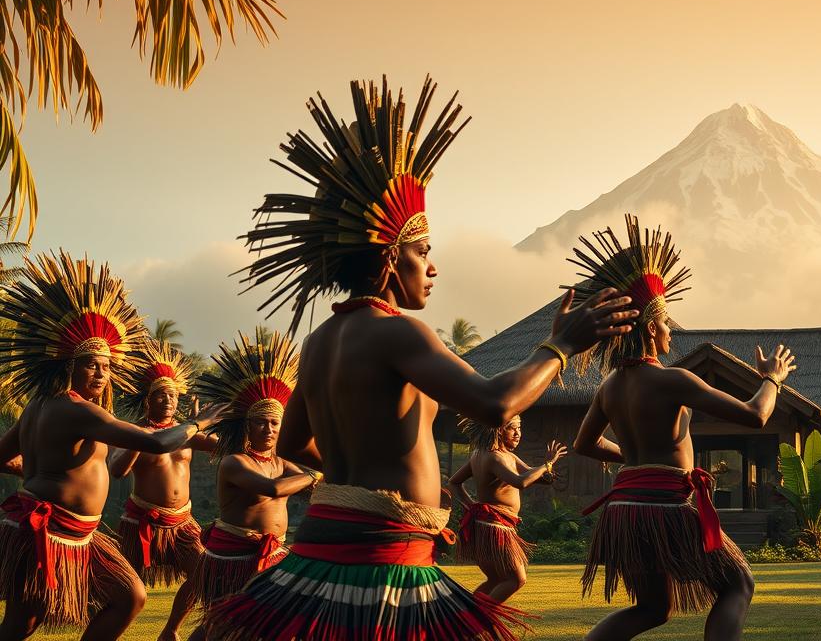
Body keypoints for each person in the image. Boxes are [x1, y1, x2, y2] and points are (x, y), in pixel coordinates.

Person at [204, 76, 637, 641]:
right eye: (423, 250)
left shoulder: (319, 342)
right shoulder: (399, 334)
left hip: (328, 546)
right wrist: (561, 346)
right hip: (381, 563)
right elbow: (494, 403)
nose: (432, 267)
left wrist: (356, 474)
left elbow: (290, 446)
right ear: (390, 257)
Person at [569, 215, 796, 641]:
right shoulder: (672, 380)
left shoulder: (609, 387)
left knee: (653, 608)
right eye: (668, 322)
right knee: (739, 585)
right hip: (667, 507)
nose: (671, 329)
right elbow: (756, 416)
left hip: (625, 511)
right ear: (652, 327)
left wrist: (638, 465)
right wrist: (772, 380)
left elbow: (584, 443)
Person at [0, 252, 225, 640]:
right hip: (47, 530)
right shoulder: (77, 410)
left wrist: (35, 472)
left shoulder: (38, 407)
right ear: (66, 363)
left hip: (74, 531)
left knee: (128, 596)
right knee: (28, 620)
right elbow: (157, 441)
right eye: (92, 364)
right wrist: (202, 420)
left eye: (107, 366)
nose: (102, 374)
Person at [188, 329, 319, 640]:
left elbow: (308, 482)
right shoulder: (236, 462)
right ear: (246, 425)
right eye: (261, 421)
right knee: (221, 626)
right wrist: (314, 476)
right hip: (233, 556)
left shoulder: (282, 462)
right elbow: (272, 489)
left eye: (275, 422)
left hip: (272, 552)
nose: (269, 429)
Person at [108, 340, 216, 641]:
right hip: (141, 522)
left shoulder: (188, 432)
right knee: (123, 587)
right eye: (161, 395)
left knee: (204, 574)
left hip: (182, 524)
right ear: (148, 400)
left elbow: (225, 446)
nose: (168, 400)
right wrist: (138, 438)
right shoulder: (134, 432)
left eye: (172, 394)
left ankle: (170, 630)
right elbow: (117, 470)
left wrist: (230, 421)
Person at [449, 415, 565, 601]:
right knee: (516, 579)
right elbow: (521, 482)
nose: (518, 433)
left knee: (496, 579)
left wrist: (548, 468)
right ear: (498, 430)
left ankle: (464, 619)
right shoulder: (494, 458)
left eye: (519, 428)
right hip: (494, 528)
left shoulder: (497, 455)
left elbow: (535, 476)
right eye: (513, 428)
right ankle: (479, 620)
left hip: (489, 525)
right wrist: (546, 465)